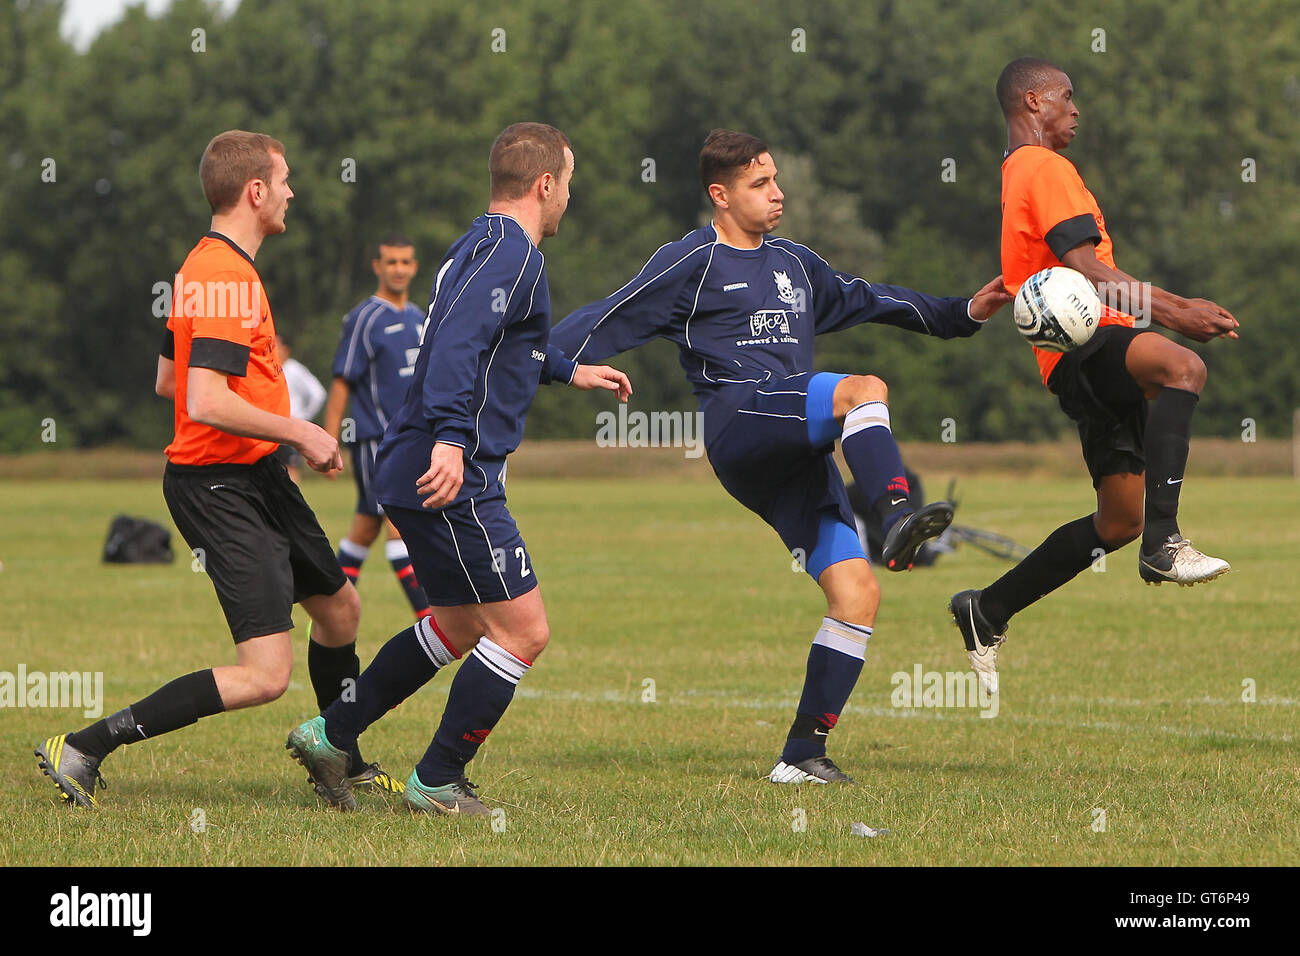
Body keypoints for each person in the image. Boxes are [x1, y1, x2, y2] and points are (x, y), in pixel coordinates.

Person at [549, 129, 1012, 784]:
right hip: (739, 422)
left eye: (775, 179)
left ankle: (801, 755)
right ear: (721, 194)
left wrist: (963, 312)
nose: (778, 193)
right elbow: (606, 315)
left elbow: (871, 298)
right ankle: (898, 513)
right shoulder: (692, 260)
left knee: (857, 592)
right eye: (760, 184)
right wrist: (541, 361)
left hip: (794, 446)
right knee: (865, 391)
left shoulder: (795, 263)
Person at [36, 130, 396, 808]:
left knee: (340, 609)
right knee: (265, 676)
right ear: (255, 192)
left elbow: (169, 381)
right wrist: (299, 430)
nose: (291, 192)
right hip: (218, 487)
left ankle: (339, 760)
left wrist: (264, 426)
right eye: (284, 180)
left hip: (255, 473)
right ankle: (83, 745)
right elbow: (202, 397)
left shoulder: (202, 265)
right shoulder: (226, 277)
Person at [286, 122, 631, 814]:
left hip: (414, 461)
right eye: (568, 182)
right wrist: (451, 439)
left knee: (459, 623)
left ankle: (332, 733)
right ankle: (437, 779)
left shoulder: (479, 242)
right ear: (544, 185)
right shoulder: (515, 255)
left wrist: (568, 369)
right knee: (524, 631)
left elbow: (498, 340)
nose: (569, 197)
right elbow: (456, 349)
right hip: (455, 471)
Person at [950, 58, 1238, 695]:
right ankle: (1166, 544)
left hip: (1066, 357)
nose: (1075, 110)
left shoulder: (1017, 171)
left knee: (1117, 521)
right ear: (1033, 102)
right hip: (1090, 339)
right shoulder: (1044, 167)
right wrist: (1176, 310)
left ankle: (986, 610)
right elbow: (1086, 268)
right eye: (1066, 97)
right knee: (1182, 367)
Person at [322, 237, 433, 619]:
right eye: (391, 262)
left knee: (365, 529)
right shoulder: (364, 318)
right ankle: (431, 621)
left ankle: (328, 613)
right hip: (378, 442)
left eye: (405, 261)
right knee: (402, 523)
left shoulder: (420, 318)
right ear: (378, 267)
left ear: (414, 267)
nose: (398, 268)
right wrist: (329, 438)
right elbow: (342, 381)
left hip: (412, 440)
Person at [273, 331, 327, 483]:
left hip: (290, 426)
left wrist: (303, 417)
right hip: (271, 426)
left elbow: (318, 394)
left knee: (291, 467)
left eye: (276, 345)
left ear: (286, 349)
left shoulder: (294, 369)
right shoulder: (269, 369)